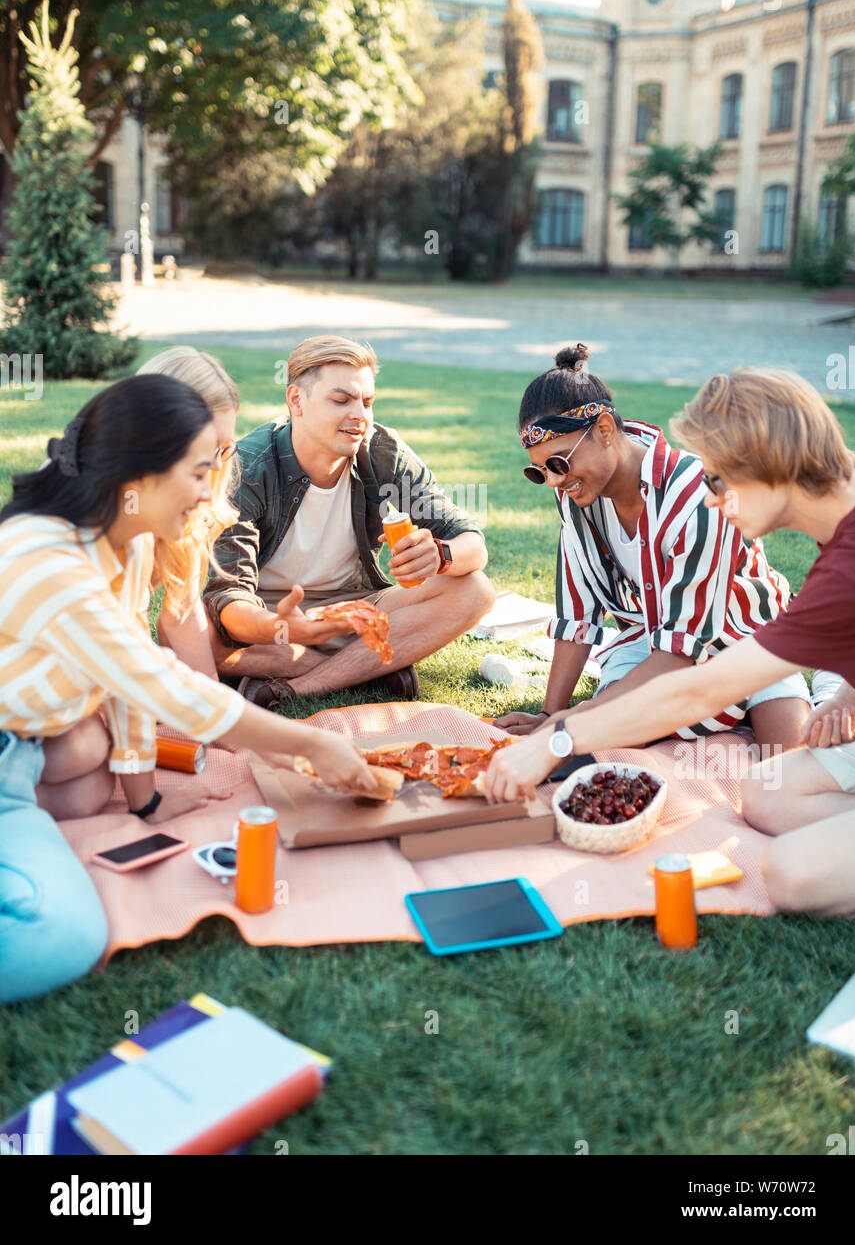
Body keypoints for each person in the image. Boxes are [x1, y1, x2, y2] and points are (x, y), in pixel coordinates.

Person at [0, 375, 379, 1004]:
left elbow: (126, 682)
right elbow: (160, 682)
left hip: (19, 756)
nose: (210, 495)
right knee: (63, 937)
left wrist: (145, 803)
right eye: (200, 472)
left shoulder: (121, 543)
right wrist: (309, 746)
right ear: (139, 474)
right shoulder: (47, 558)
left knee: (87, 777)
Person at [485, 368, 855, 918]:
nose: (708, 498)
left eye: (715, 477)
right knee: (762, 792)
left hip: (734, 653)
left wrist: (556, 737)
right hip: (742, 662)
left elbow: (693, 687)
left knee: (787, 871)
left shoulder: (844, 574)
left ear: (766, 463)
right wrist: (853, 696)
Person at [496, 344, 810, 751]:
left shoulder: (697, 495)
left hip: (747, 637)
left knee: (790, 759)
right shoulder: (577, 495)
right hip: (651, 640)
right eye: (539, 472)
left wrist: (564, 724)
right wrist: (548, 714)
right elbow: (579, 614)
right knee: (605, 747)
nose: (554, 482)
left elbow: (679, 657)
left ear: (605, 431)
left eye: (559, 464)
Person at [203, 335, 495, 705]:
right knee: (198, 631)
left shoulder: (383, 453)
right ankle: (370, 668)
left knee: (475, 590)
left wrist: (441, 555)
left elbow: (471, 542)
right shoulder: (247, 467)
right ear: (297, 400)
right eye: (341, 400)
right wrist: (289, 629)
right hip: (266, 618)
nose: (359, 415)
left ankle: (297, 685)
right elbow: (229, 597)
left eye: (367, 401)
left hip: (354, 612)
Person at [136, 347, 240, 681]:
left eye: (224, 448)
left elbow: (181, 611)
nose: (218, 465)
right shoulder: (112, 512)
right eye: (209, 447)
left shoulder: (184, 500)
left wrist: (215, 713)